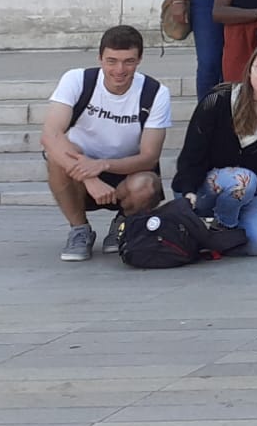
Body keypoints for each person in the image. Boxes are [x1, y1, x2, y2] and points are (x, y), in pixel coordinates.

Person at [44, 26, 172, 261]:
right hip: (80, 171)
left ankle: (123, 224)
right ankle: (79, 229)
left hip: (127, 171)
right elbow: (50, 135)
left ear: (140, 59)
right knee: (58, 153)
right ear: (99, 58)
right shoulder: (77, 80)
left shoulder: (156, 92)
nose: (119, 70)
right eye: (111, 61)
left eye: (129, 61)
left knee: (146, 184)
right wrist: (89, 176)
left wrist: (102, 165)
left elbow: (149, 156)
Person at [172, 40, 257, 256]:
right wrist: (188, 192)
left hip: (248, 194)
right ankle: (223, 228)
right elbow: (192, 154)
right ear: (249, 69)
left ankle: (212, 240)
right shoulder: (218, 100)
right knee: (244, 178)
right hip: (200, 189)